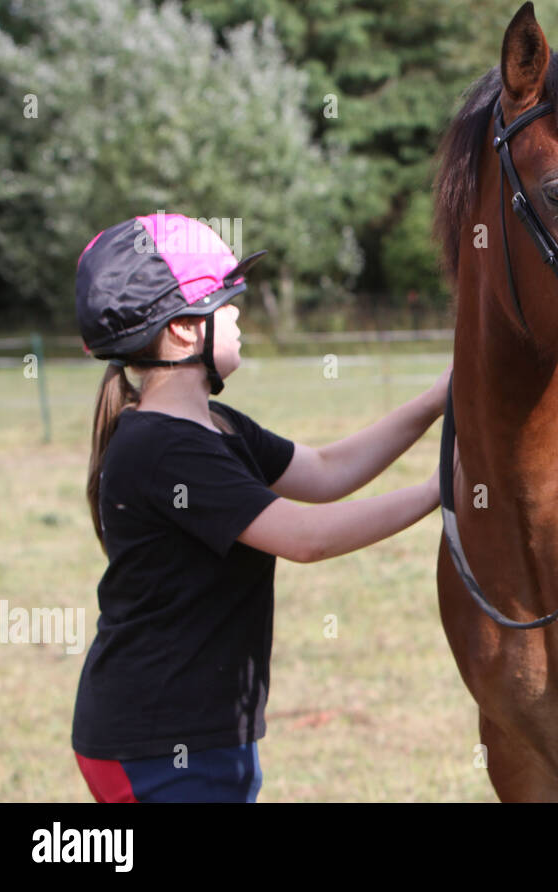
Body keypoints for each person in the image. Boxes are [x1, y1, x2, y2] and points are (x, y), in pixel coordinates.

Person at [71, 213, 448, 802]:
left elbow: (324, 472)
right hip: (157, 743)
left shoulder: (216, 425)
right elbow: (306, 537)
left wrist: (436, 401)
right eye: (226, 302)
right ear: (183, 333)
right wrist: (436, 491)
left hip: (199, 733)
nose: (239, 314)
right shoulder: (165, 447)